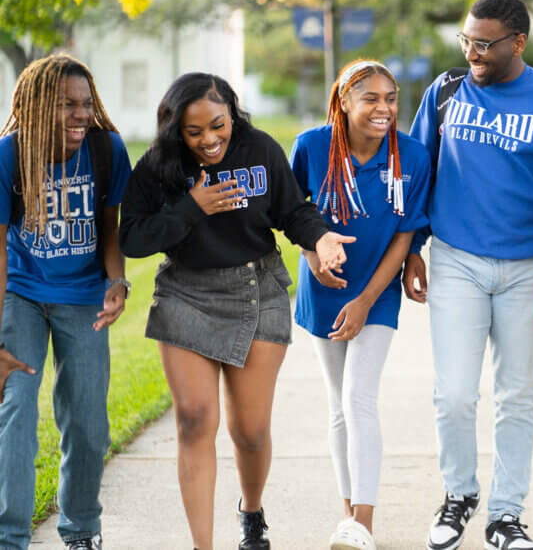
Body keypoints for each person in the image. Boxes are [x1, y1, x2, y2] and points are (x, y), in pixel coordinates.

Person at [117, 73, 354, 550]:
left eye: (217, 125)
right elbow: (134, 238)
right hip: (186, 293)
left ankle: (251, 510)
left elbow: (292, 211)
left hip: (256, 289)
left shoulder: (260, 150)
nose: (209, 139)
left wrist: (321, 237)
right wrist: (192, 208)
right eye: (195, 132)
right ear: (176, 131)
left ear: (232, 112)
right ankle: (202, 545)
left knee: (249, 430)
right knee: (194, 421)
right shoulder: (159, 164)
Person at [402, 0, 533, 550]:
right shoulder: (445, 92)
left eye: (484, 45)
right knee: (455, 393)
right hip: (457, 260)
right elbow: (419, 168)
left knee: (516, 394)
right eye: (467, 42)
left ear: (519, 43)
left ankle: (506, 515)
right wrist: (413, 245)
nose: (473, 54)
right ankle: (459, 495)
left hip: (529, 268)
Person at [289, 60, 430, 550]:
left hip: (378, 290)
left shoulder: (411, 156)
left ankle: (364, 524)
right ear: (343, 101)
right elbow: (293, 213)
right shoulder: (311, 147)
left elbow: (407, 232)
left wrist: (367, 299)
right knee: (337, 405)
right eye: (370, 98)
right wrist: (313, 255)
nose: (383, 108)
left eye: (390, 98)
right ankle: (347, 516)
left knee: (358, 397)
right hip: (323, 289)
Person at [0, 55, 132, 550]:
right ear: (35, 107)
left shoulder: (105, 149)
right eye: (66, 105)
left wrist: (117, 282)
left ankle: (81, 530)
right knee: (15, 409)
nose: (82, 114)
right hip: (21, 293)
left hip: (84, 297)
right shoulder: (8, 155)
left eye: (86, 103)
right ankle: (9, 537)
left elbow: (110, 227)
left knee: (87, 420)